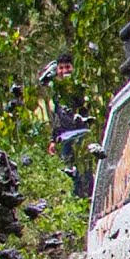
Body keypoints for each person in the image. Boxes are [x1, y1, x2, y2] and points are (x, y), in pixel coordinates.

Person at [43, 52, 93, 197]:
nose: (64, 71)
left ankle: (89, 197)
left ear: (73, 68)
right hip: (66, 137)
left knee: (86, 168)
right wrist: (53, 140)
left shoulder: (80, 87)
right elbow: (58, 117)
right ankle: (78, 199)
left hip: (82, 134)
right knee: (71, 171)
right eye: (61, 68)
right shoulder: (57, 92)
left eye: (67, 67)